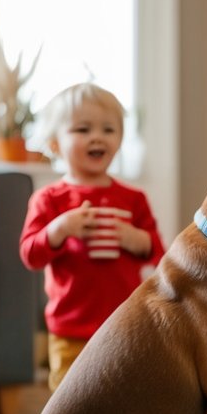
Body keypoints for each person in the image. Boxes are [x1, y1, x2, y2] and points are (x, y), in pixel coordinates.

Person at [20, 83, 166, 391]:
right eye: (82, 129)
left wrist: (133, 238)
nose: (97, 136)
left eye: (109, 129)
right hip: (69, 328)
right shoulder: (49, 200)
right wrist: (58, 230)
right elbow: (30, 255)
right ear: (56, 144)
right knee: (69, 399)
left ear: (120, 139)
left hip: (124, 324)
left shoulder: (133, 198)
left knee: (123, 393)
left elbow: (159, 254)